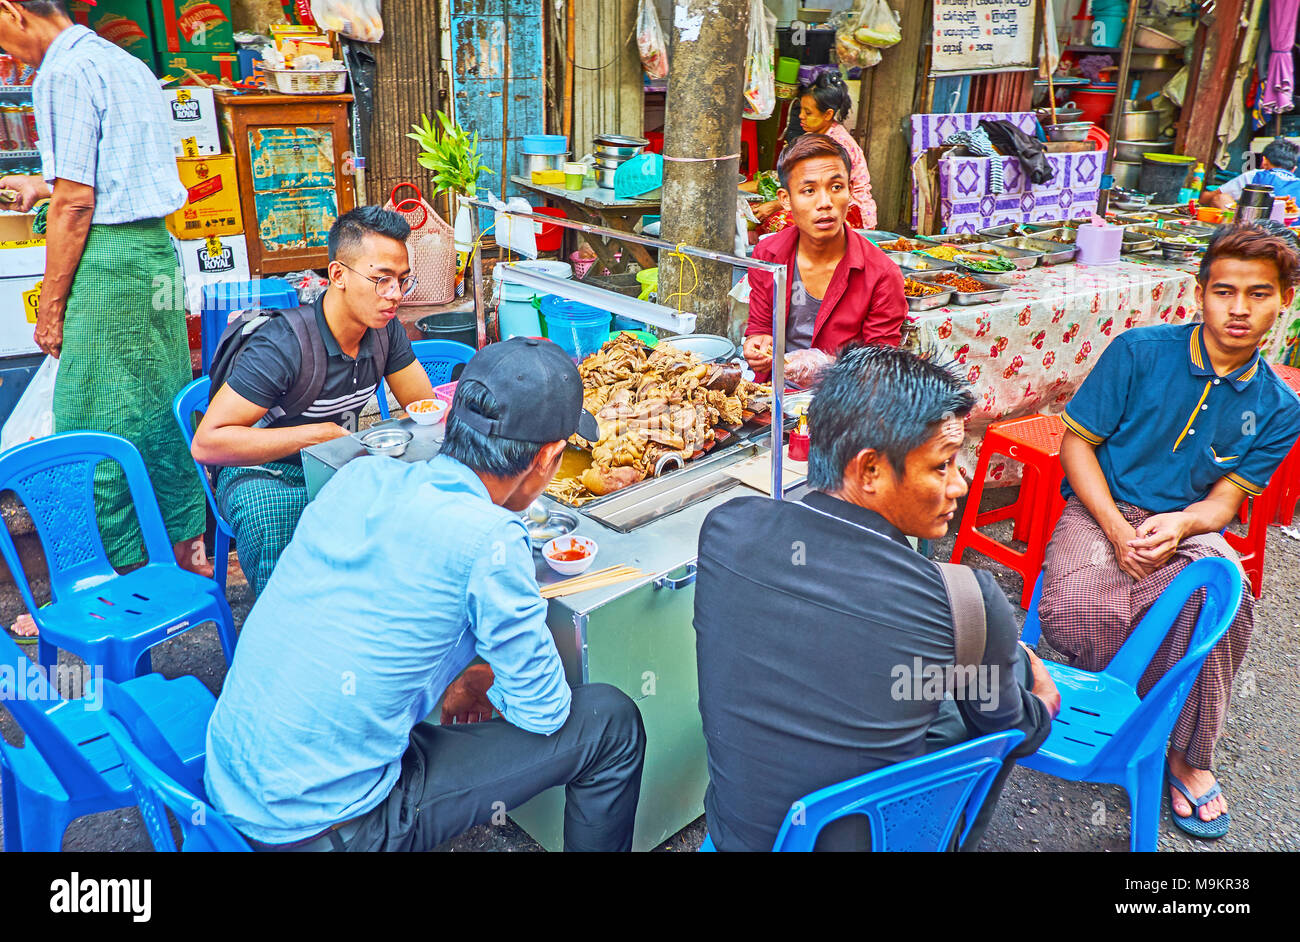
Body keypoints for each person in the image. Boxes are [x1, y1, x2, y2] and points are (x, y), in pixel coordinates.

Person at [205, 336, 647, 852]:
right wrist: (487, 675)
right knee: (611, 723)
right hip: (326, 826)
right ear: (548, 456)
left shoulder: (363, 476)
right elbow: (543, 711)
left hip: (232, 784)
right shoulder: (490, 539)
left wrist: (471, 671)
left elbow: (391, 610)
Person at [693, 345, 1060, 852]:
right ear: (869, 471)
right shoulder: (966, 601)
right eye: (943, 465)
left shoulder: (727, 529)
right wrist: (1041, 702)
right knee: (1003, 678)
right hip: (866, 841)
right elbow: (1013, 733)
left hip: (735, 835)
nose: (961, 483)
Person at [1040, 223, 1300, 840]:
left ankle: (1187, 755)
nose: (1239, 309)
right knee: (1073, 607)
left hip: (1184, 523)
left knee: (1220, 602)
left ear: (1285, 300)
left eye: (1259, 293)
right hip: (1101, 505)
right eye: (1225, 291)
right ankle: (1143, 714)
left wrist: (1181, 523)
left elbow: (1224, 503)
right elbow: (1077, 445)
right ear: (1199, 292)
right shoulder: (1139, 351)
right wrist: (1111, 525)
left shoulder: (1279, 405)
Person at [0, 0, 210, 639]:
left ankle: (101, 584)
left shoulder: (63, 72)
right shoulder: (123, 62)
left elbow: (77, 205)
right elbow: (101, 178)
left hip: (112, 264)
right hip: (155, 254)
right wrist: (46, 184)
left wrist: (53, 305)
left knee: (96, 415)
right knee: (160, 406)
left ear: (13, 10)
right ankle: (186, 555)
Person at [190, 206, 435, 597]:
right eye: (381, 280)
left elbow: (424, 411)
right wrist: (313, 436)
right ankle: (284, 636)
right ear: (337, 275)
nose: (395, 296)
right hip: (263, 472)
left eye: (403, 281)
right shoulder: (282, 345)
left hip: (336, 460)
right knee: (270, 521)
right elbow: (208, 443)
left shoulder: (385, 333)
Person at [742, 134, 906, 385]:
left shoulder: (882, 274)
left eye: (836, 187)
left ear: (850, 192)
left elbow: (881, 367)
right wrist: (758, 341)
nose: (825, 203)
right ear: (785, 199)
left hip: (842, 402)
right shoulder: (768, 255)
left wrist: (827, 365)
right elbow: (761, 325)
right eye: (809, 190)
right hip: (773, 396)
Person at [1201, 138, 1300, 210]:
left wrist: (1201, 195)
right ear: (1294, 169)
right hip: (1293, 232)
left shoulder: (1255, 175)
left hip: (1256, 231)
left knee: (1220, 198)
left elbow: (1204, 199)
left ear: (1264, 161)